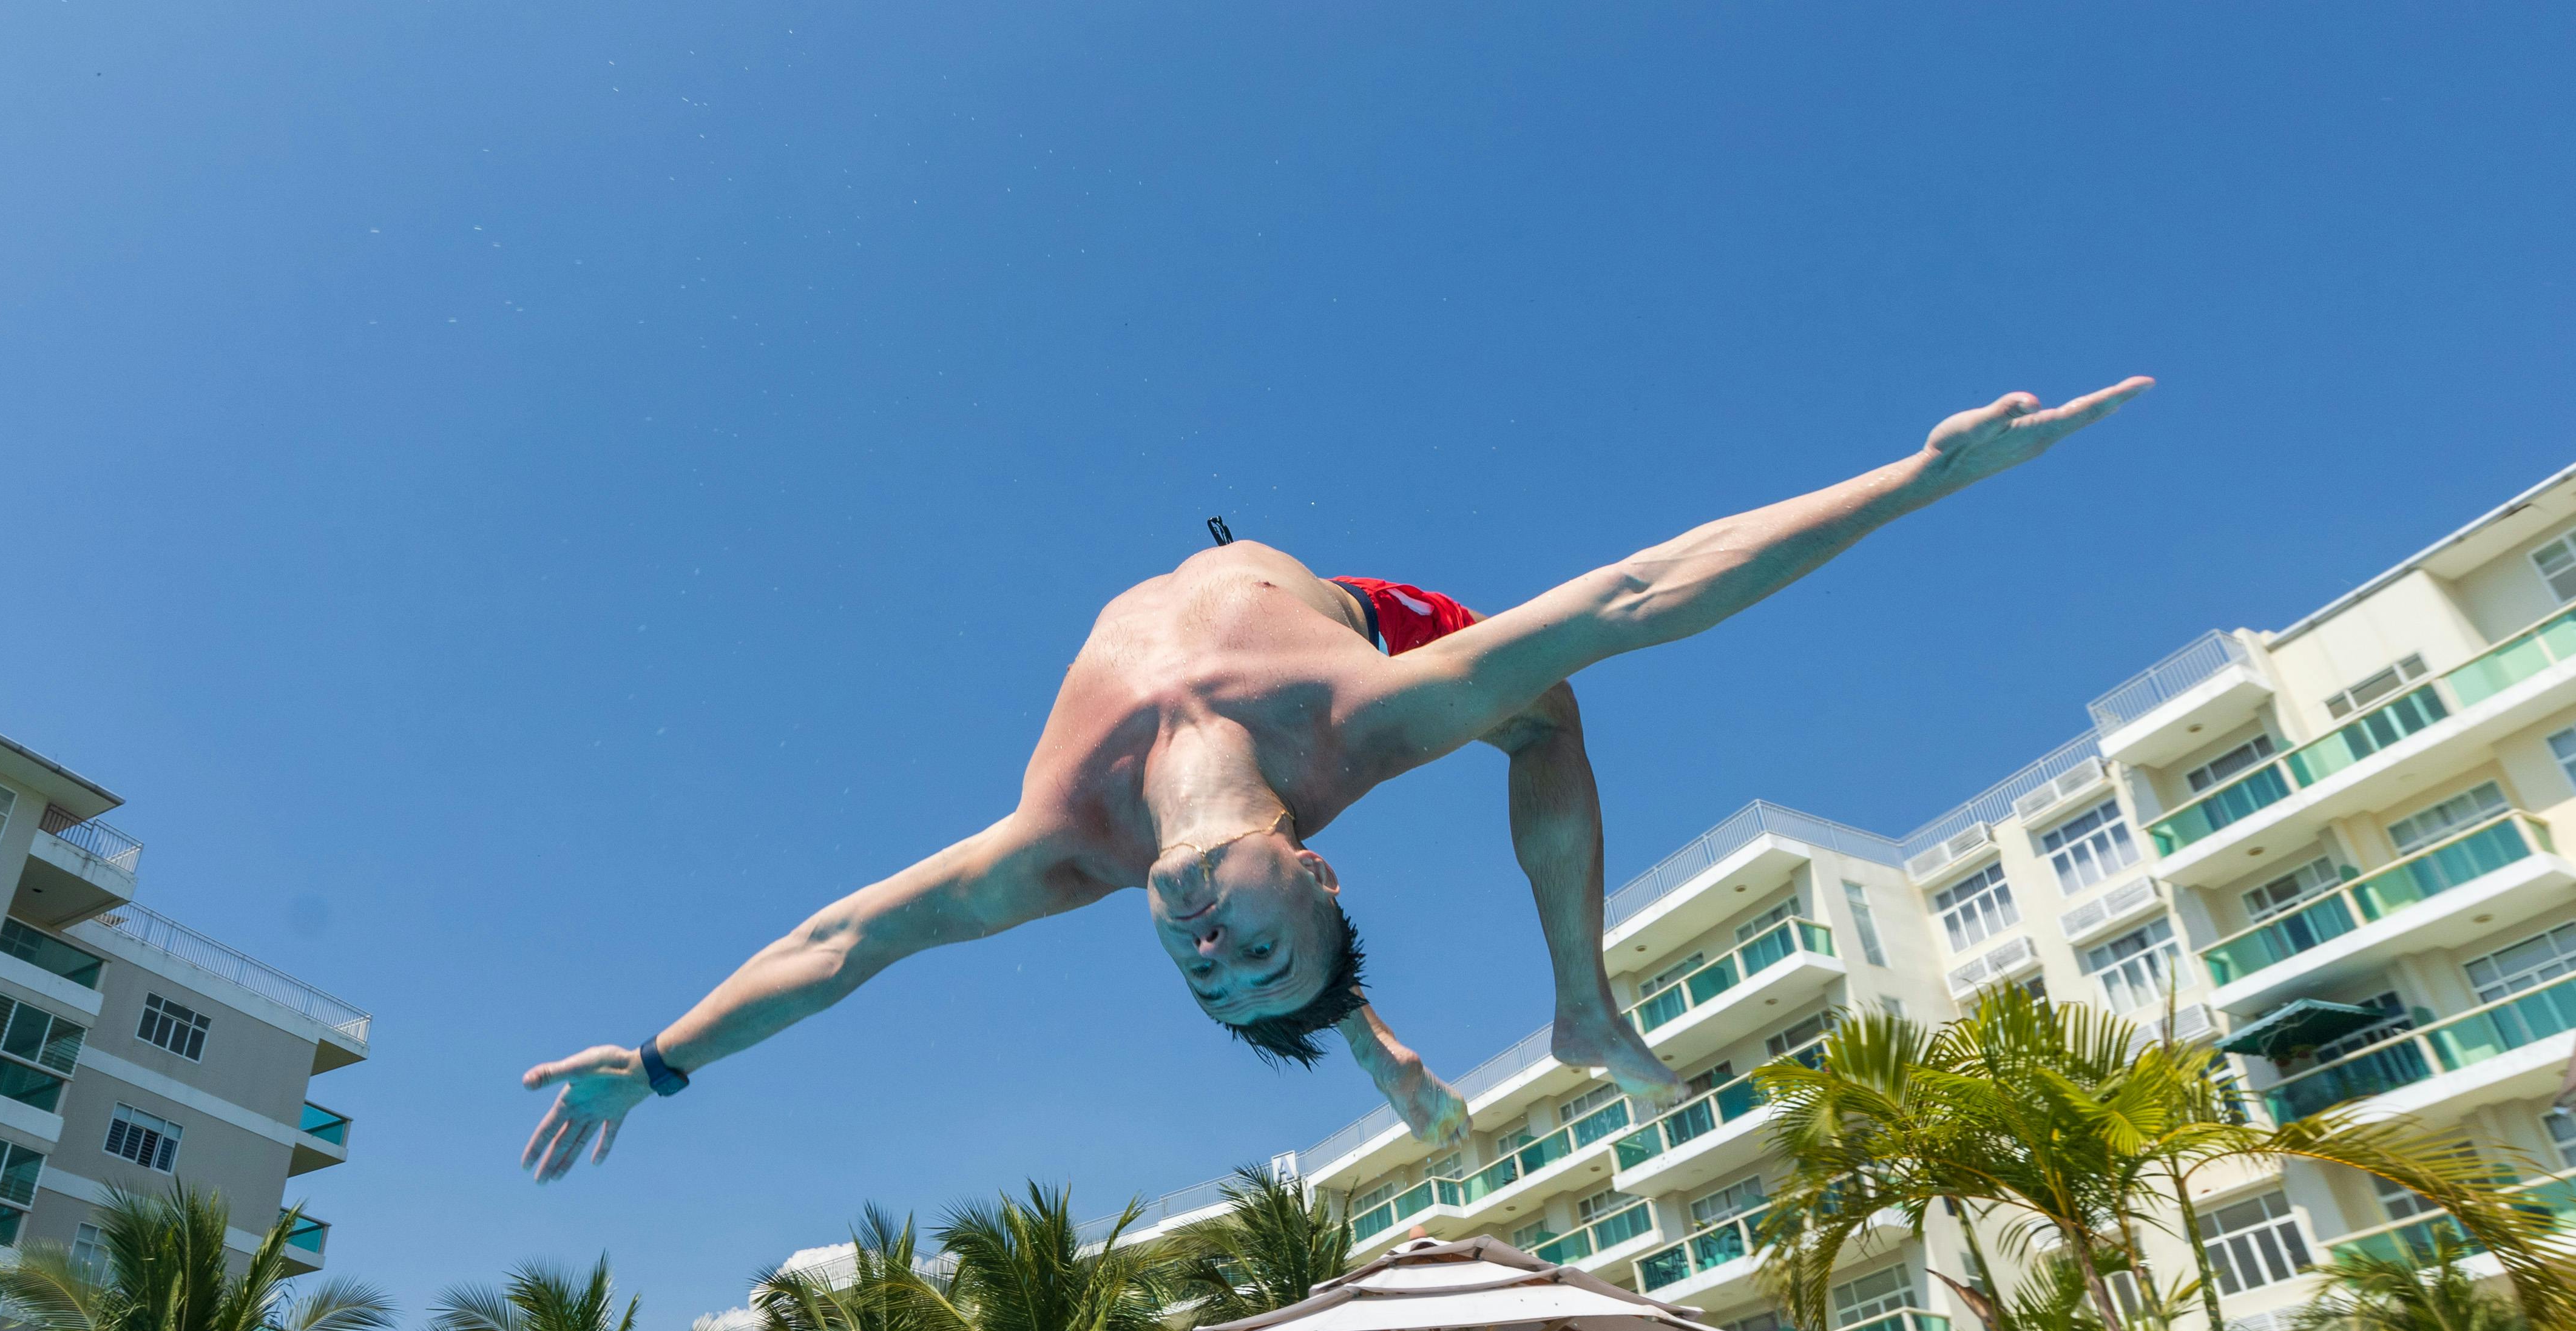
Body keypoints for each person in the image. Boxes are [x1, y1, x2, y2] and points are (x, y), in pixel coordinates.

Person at [522, 381, 2151, 1180]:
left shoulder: (1065, 848)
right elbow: (1646, 590)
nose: (1197, 945)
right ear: (1315, 869)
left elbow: (841, 942)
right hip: (1350, 618)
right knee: (1547, 691)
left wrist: (658, 1067)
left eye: (1197, 974)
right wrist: (1918, 483)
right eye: (1251, 944)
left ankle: (1446, 1029)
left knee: (1503, 744)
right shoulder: (1368, 724)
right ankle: (1570, 1004)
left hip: (1247, 653)